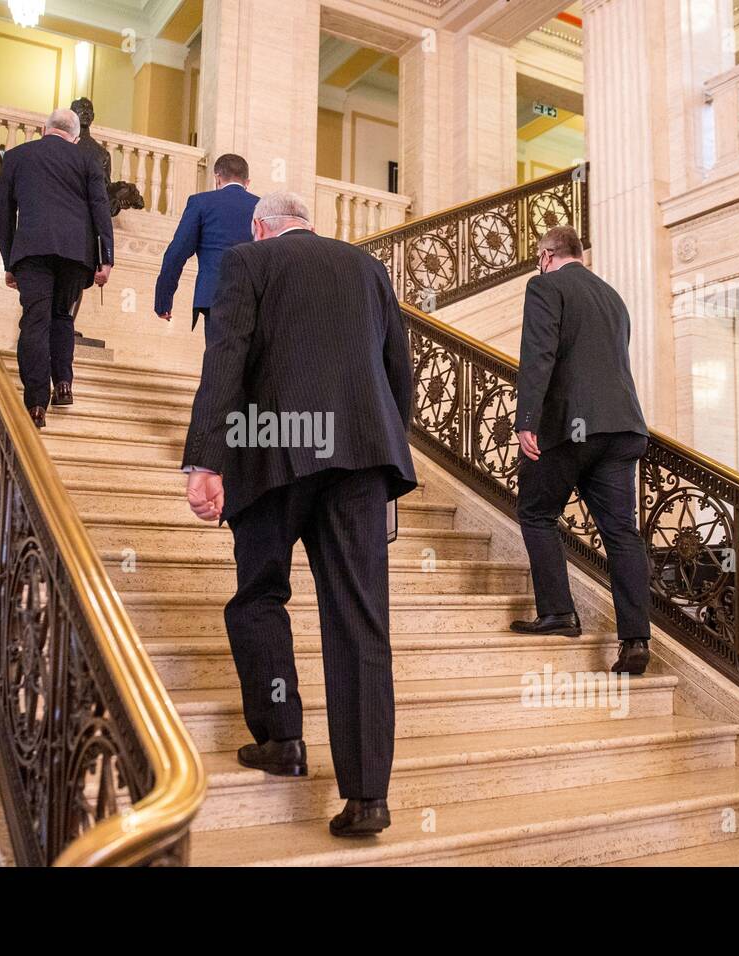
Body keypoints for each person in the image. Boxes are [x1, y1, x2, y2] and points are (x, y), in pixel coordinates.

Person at [181, 191, 416, 837]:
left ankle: (282, 738)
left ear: (261, 226)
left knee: (259, 597)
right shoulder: (368, 268)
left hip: (272, 454)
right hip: (361, 462)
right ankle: (368, 797)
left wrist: (205, 461)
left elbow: (225, 358)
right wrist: (384, 454)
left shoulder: (248, 262)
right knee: (361, 624)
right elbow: (400, 371)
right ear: (311, 223)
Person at [512, 225, 653, 675]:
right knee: (621, 534)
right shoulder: (613, 297)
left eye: (539, 258)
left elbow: (539, 354)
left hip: (569, 428)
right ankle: (635, 640)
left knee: (536, 513)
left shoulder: (544, 285)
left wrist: (527, 419)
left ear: (546, 255)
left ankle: (558, 612)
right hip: (622, 428)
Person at [0, 108, 114, 428]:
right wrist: (107, 258)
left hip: (32, 252)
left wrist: (9, 261)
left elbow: (3, 211)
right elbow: (100, 207)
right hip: (77, 255)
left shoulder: (17, 156)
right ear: (75, 136)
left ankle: (36, 403)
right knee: (62, 315)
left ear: (43, 129)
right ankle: (63, 384)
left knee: (35, 321)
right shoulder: (88, 160)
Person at [154, 154, 259, 335]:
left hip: (214, 295)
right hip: (254, 300)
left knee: (219, 359)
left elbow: (177, 253)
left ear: (217, 177)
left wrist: (164, 300)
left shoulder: (201, 202)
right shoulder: (262, 206)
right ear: (247, 181)